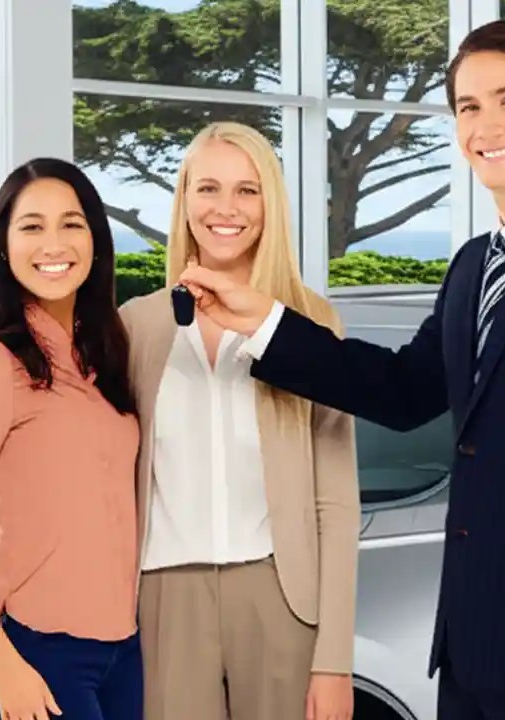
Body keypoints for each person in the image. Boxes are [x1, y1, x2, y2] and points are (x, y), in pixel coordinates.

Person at [176, 20, 505, 720]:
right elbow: (403, 391)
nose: (486, 125)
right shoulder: (473, 266)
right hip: (470, 654)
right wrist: (264, 320)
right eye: (469, 107)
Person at [118, 121, 361, 720]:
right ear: (184, 200)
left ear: (269, 203)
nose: (225, 208)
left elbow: (335, 501)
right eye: (208, 188)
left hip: (281, 597)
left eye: (246, 190)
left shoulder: (310, 322)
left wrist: (334, 660)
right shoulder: (135, 325)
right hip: (164, 598)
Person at [0, 158, 142, 720]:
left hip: (124, 649)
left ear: (95, 241)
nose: (53, 244)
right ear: (3, 247)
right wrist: (6, 667)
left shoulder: (104, 355)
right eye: (32, 226)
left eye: (71, 224)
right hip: (36, 651)